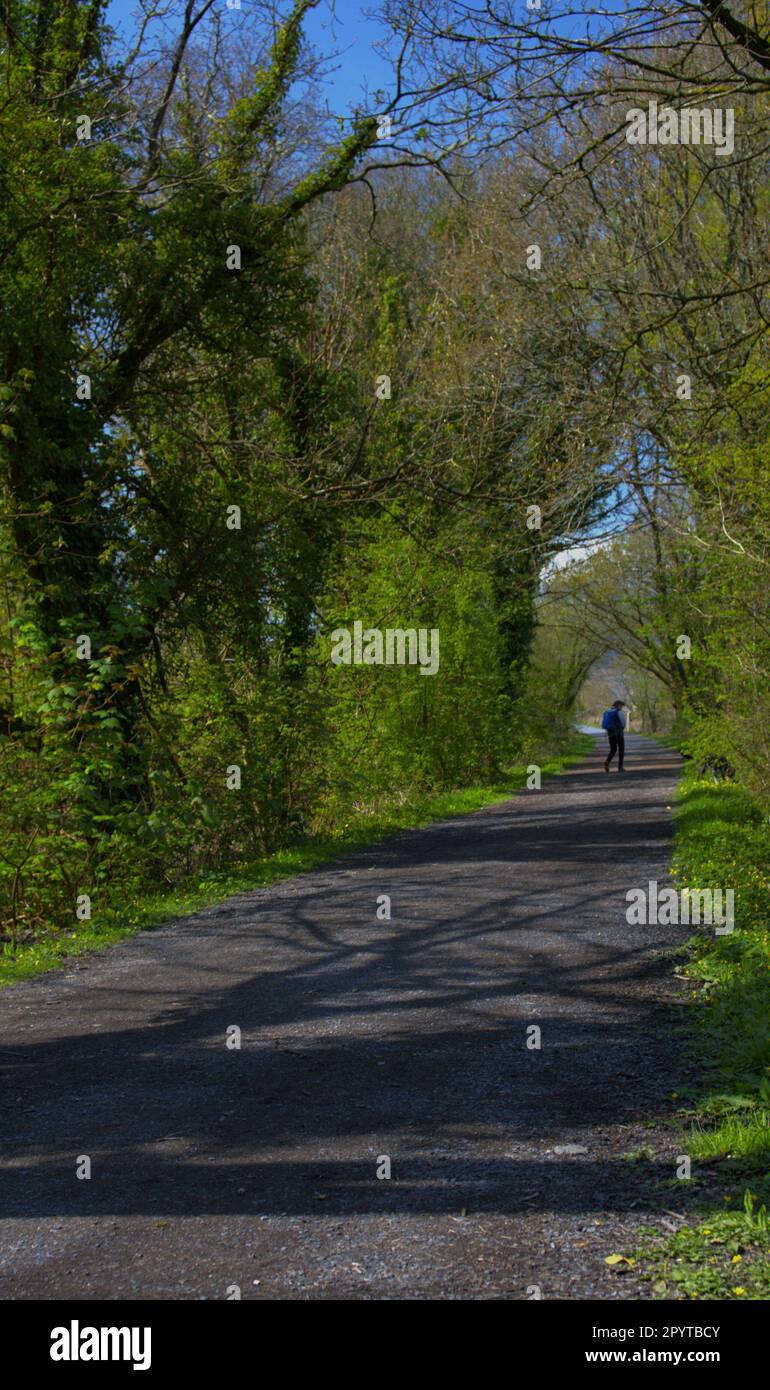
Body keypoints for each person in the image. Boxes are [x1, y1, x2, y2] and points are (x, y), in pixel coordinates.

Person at [601, 700, 627, 772]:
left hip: (610, 733)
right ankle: (620, 767)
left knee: (613, 750)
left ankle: (607, 761)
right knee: (621, 750)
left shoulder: (607, 711)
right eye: (621, 706)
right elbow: (623, 723)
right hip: (618, 733)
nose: (622, 708)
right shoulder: (618, 711)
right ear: (618, 705)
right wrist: (622, 728)